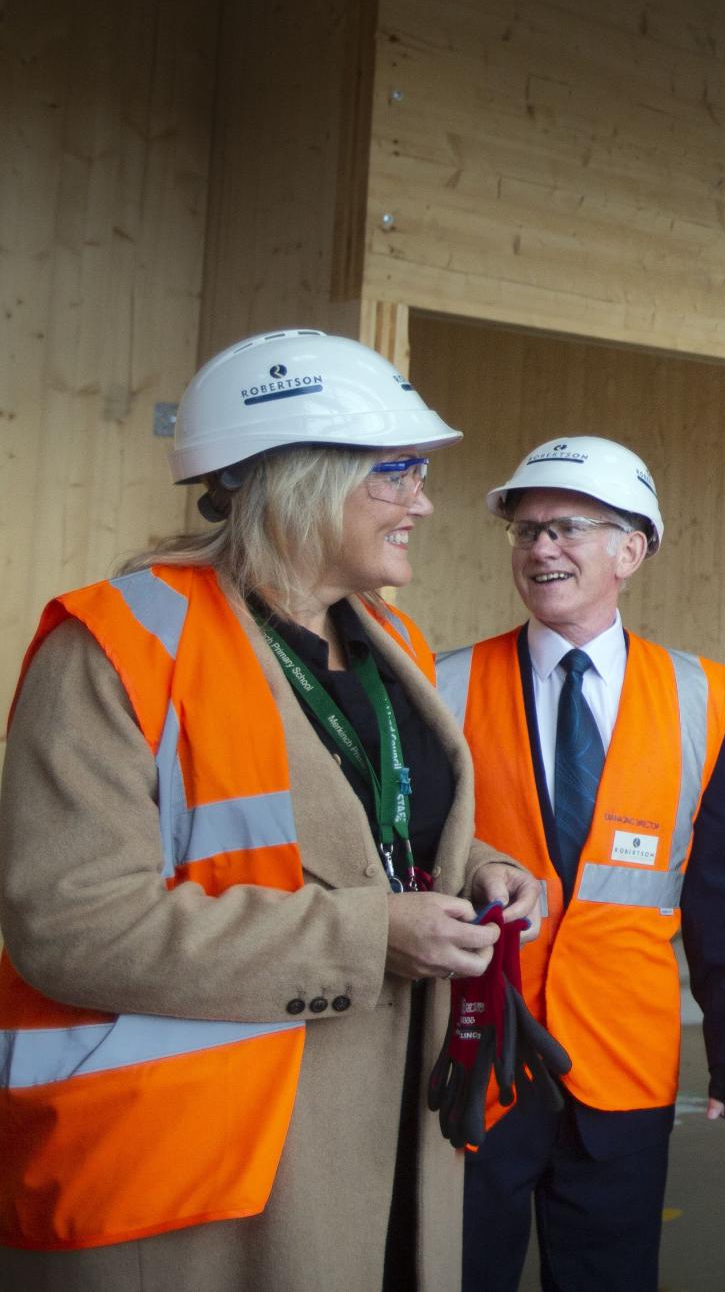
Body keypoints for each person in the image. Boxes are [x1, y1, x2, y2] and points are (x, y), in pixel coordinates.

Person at [0, 328, 542, 1291]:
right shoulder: (116, 644)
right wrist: (367, 936)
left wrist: (478, 866)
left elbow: (366, 831)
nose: (423, 501)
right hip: (200, 1175)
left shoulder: (391, 639)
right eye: (396, 472)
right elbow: (72, 925)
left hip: (389, 1140)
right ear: (302, 477)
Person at [434, 436, 725, 1292]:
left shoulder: (704, 696)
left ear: (631, 550)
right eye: (526, 529)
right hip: (479, 1056)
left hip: (623, 1060)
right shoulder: (444, 687)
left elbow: (721, 890)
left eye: (567, 528)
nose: (541, 546)